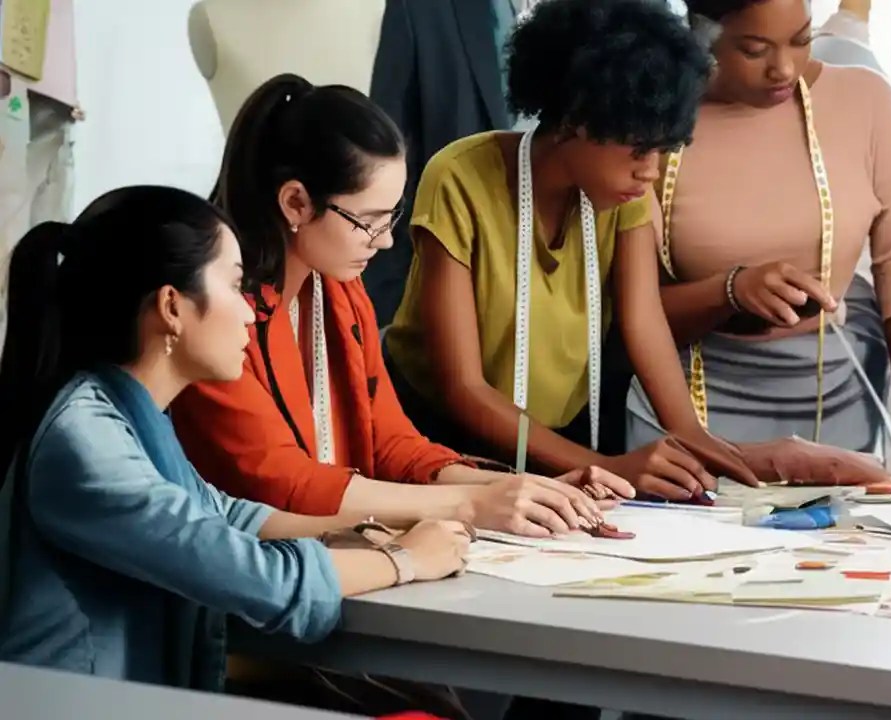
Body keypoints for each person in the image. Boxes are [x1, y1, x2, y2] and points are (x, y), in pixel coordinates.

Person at [0, 186, 470, 692]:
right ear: (171, 307)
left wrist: (382, 525)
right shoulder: (86, 440)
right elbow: (254, 576)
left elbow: (225, 516)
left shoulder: (128, 411)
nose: (250, 311)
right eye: (234, 285)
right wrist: (405, 561)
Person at [170, 73, 628, 539]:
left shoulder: (338, 293)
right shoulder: (216, 318)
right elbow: (281, 481)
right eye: (368, 222)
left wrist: (521, 487)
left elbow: (390, 443)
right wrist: (471, 502)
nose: (386, 240)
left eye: (392, 217)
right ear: (296, 203)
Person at [385, 0, 799, 502]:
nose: (650, 171)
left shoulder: (622, 196)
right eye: (638, 149)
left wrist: (696, 438)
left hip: (557, 434)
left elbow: (643, 321)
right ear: (578, 118)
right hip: (438, 433)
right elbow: (464, 389)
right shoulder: (459, 178)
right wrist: (607, 467)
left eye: (663, 150)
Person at [625, 0, 891, 486]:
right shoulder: (650, 120)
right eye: (755, 49)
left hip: (836, 395)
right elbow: (627, 315)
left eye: (802, 39)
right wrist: (730, 292)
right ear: (700, 33)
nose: (783, 68)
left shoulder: (866, 103)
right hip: (682, 403)